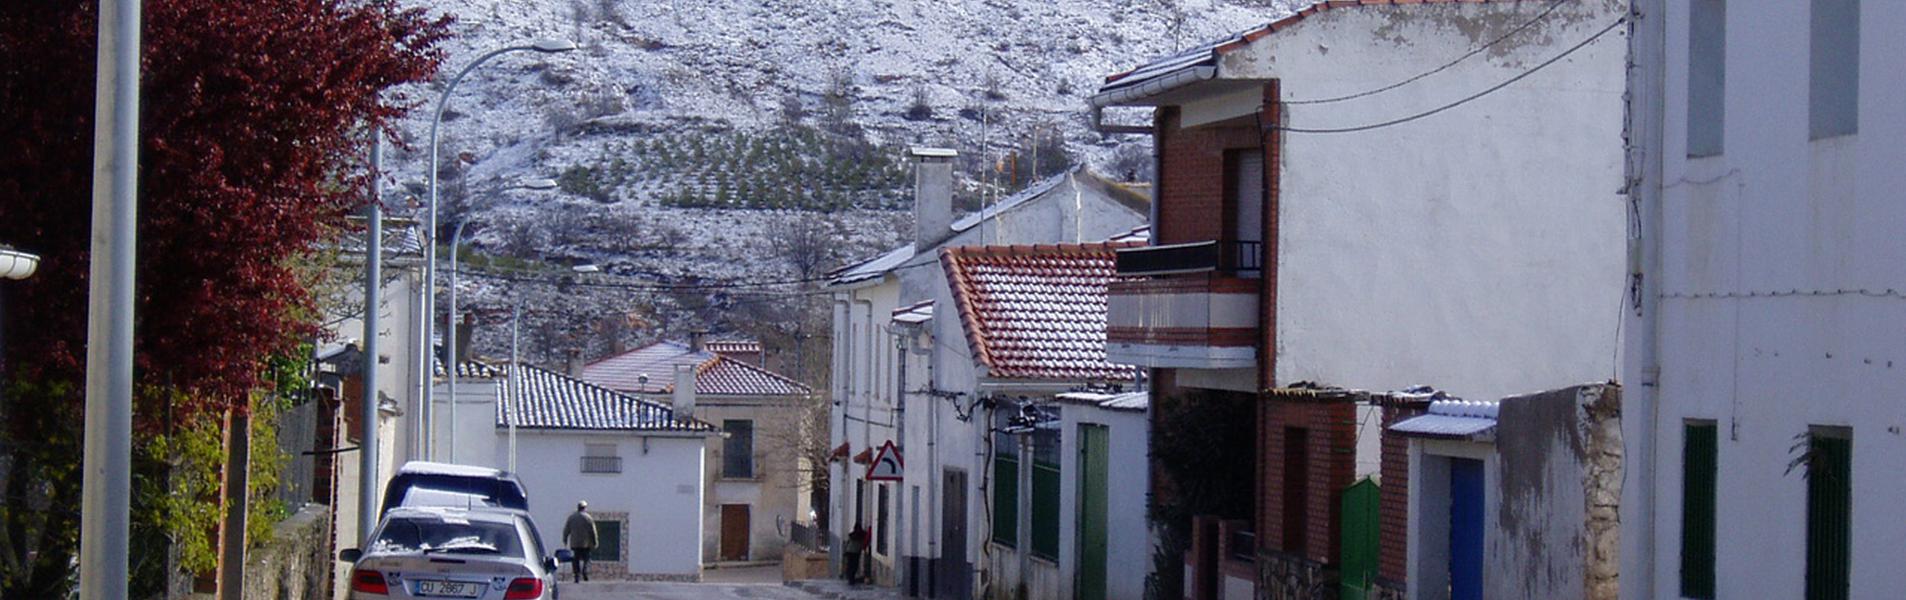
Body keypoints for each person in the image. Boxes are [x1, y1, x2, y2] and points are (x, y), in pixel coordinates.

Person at [563, 501, 598, 583]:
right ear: (585, 508)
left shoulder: (571, 517)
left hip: (574, 543)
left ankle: (577, 576)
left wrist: (565, 539)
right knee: (587, 559)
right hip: (585, 543)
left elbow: (566, 530)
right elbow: (593, 531)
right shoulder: (588, 518)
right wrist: (595, 541)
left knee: (576, 559)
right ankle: (585, 571)